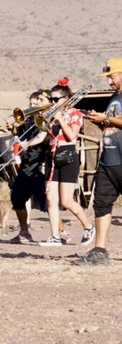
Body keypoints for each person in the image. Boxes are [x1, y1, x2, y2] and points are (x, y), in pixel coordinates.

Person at [80, 58, 122, 265]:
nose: (109, 82)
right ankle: (99, 251)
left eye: (112, 77)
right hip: (108, 161)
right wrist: (99, 118)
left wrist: (105, 119)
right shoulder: (115, 97)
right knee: (102, 205)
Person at [42, 81, 92, 246]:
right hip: (53, 157)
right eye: (52, 99)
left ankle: (88, 226)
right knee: (50, 198)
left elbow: (71, 136)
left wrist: (60, 120)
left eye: (56, 99)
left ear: (67, 98)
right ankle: (55, 236)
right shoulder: (50, 115)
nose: (53, 102)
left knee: (66, 201)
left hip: (68, 156)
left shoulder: (75, 113)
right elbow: (49, 138)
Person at [8, 90, 51, 244]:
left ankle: (62, 232)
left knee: (47, 203)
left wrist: (29, 143)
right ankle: (24, 232)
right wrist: (12, 128)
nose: (33, 106)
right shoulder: (27, 121)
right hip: (26, 165)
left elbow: (45, 137)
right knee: (17, 198)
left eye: (37, 102)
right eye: (31, 104)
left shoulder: (47, 119)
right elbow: (19, 135)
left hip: (40, 165)